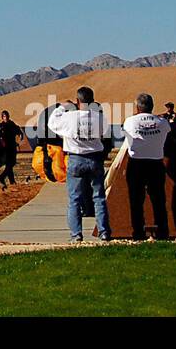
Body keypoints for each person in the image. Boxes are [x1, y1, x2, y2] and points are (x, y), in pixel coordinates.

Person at [47, 87, 112, 242]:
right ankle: (104, 231)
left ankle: (76, 234)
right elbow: (105, 132)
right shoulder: (99, 117)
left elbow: (52, 123)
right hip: (95, 158)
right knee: (99, 197)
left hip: (76, 158)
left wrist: (64, 107)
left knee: (74, 199)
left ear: (77, 101)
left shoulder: (69, 117)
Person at [121, 93, 171, 241]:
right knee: (159, 200)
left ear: (137, 107)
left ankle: (138, 232)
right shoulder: (162, 122)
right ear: (152, 106)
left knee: (136, 200)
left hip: (137, 162)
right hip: (156, 162)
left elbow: (125, 133)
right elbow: (168, 130)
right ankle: (162, 231)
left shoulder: (130, 121)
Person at [0, 110, 24, 185]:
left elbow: (18, 130)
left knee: (11, 163)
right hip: (5, 148)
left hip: (12, 146)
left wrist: (20, 134)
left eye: (6, 116)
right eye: (4, 116)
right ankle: (4, 177)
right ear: (2, 117)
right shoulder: (0, 126)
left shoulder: (11, 124)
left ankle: (10, 180)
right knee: (10, 163)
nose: (6, 117)